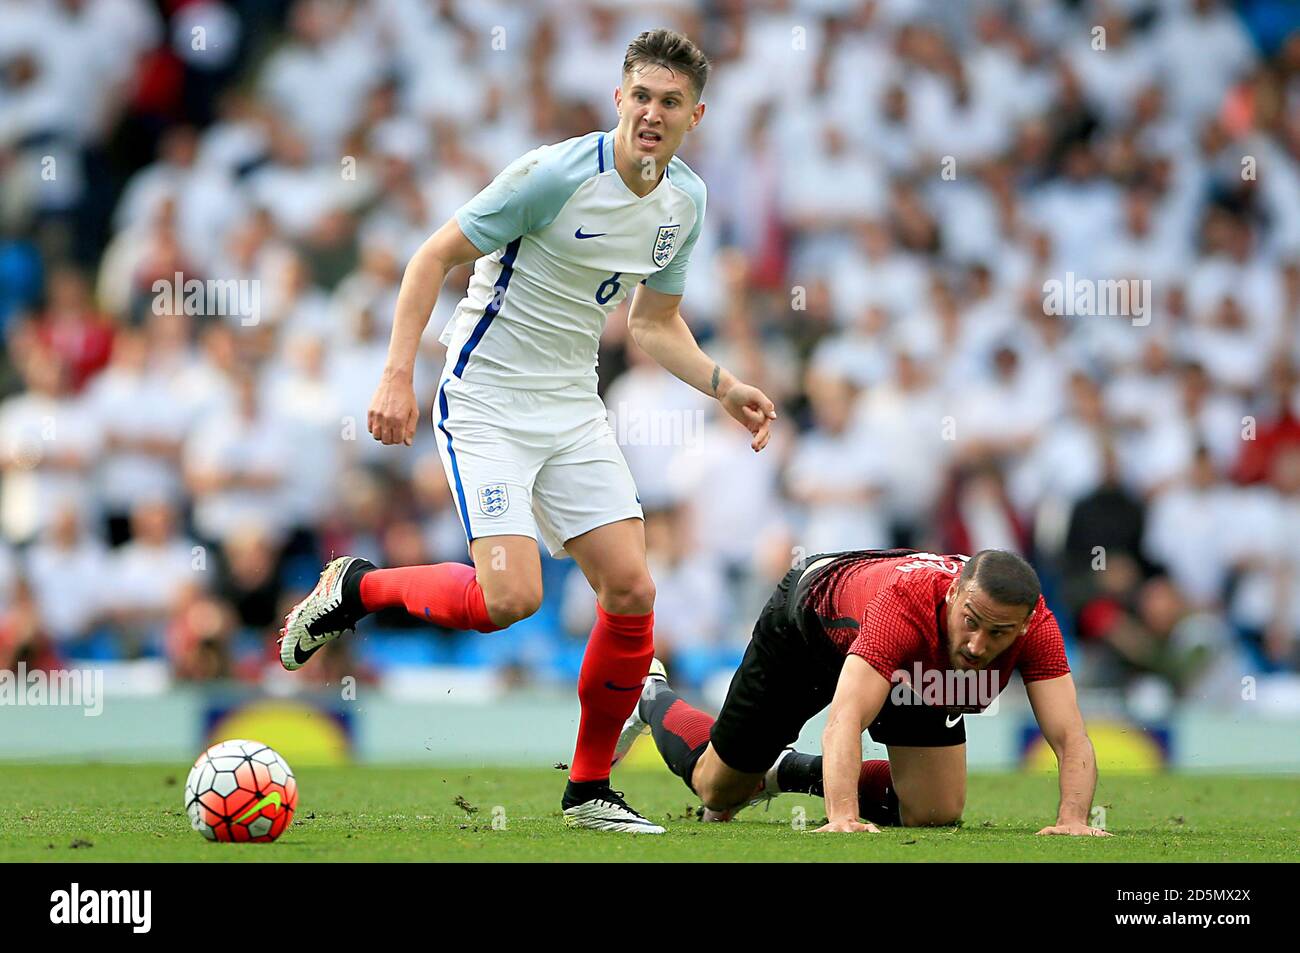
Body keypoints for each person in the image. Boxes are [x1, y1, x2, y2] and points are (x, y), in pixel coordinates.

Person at [277, 29, 777, 834]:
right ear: (619, 98)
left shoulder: (687, 200)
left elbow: (652, 324)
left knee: (633, 589)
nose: (652, 112)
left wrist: (724, 386)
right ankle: (356, 587)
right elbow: (429, 257)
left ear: (696, 114)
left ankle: (588, 791)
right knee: (509, 598)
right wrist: (396, 375)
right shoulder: (552, 175)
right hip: (487, 400)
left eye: (670, 102)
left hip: (572, 406)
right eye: (641, 95)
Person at [618, 549, 1111, 836]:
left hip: (910, 662)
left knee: (934, 812)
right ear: (953, 594)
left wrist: (1073, 820)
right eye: (971, 623)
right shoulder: (905, 607)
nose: (979, 646)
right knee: (716, 788)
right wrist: (843, 818)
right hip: (807, 624)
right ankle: (650, 693)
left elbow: (1070, 736)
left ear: (1025, 625)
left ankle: (783, 771)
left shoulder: (1037, 625)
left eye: (999, 634)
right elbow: (846, 719)